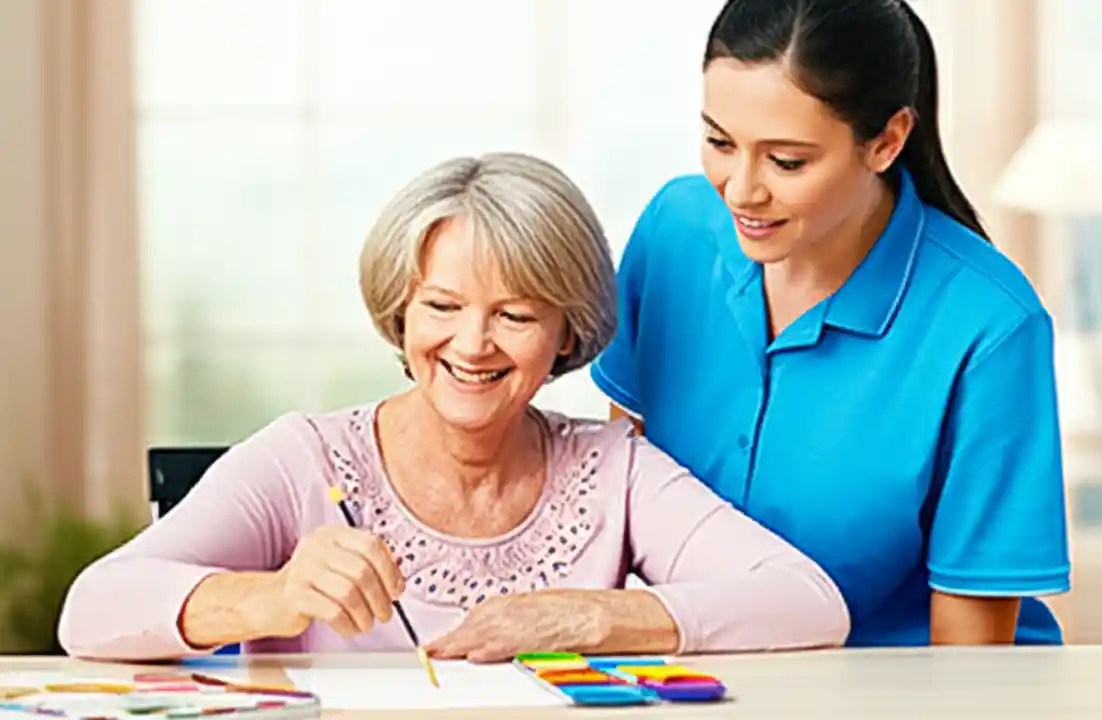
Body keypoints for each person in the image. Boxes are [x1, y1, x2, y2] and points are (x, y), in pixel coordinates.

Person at [58, 152, 849, 661]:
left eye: (515, 315)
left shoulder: (612, 467)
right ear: (399, 314)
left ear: (567, 333)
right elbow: (89, 612)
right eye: (441, 306)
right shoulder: (302, 459)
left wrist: (593, 619)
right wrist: (269, 594)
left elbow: (808, 602)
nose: (473, 345)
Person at [590, 0, 1070, 646]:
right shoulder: (675, 233)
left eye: (786, 161)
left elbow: (970, 669)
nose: (739, 189)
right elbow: (622, 498)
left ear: (888, 141)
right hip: (708, 676)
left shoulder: (989, 328)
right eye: (719, 142)